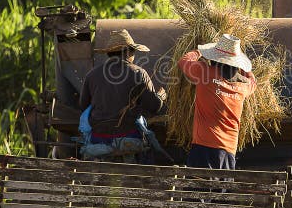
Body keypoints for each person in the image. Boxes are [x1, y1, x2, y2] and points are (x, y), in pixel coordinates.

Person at [79, 29, 165, 161]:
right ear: (129, 53)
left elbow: (83, 105)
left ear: (109, 54)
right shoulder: (138, 73)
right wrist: (160, 97)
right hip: (128, 137)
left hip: (98, 138)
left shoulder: (92, 75)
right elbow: (154, 107)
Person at [177, 33, 257, 169]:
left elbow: (184, 62)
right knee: (221, 190)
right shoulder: (243, 86)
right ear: (236, 64)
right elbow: (253, 81)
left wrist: (199, 52)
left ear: (214, 58)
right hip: (228, 153)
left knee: (196, 189)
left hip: (203, 149)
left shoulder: (204, 72)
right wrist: (242, 66)